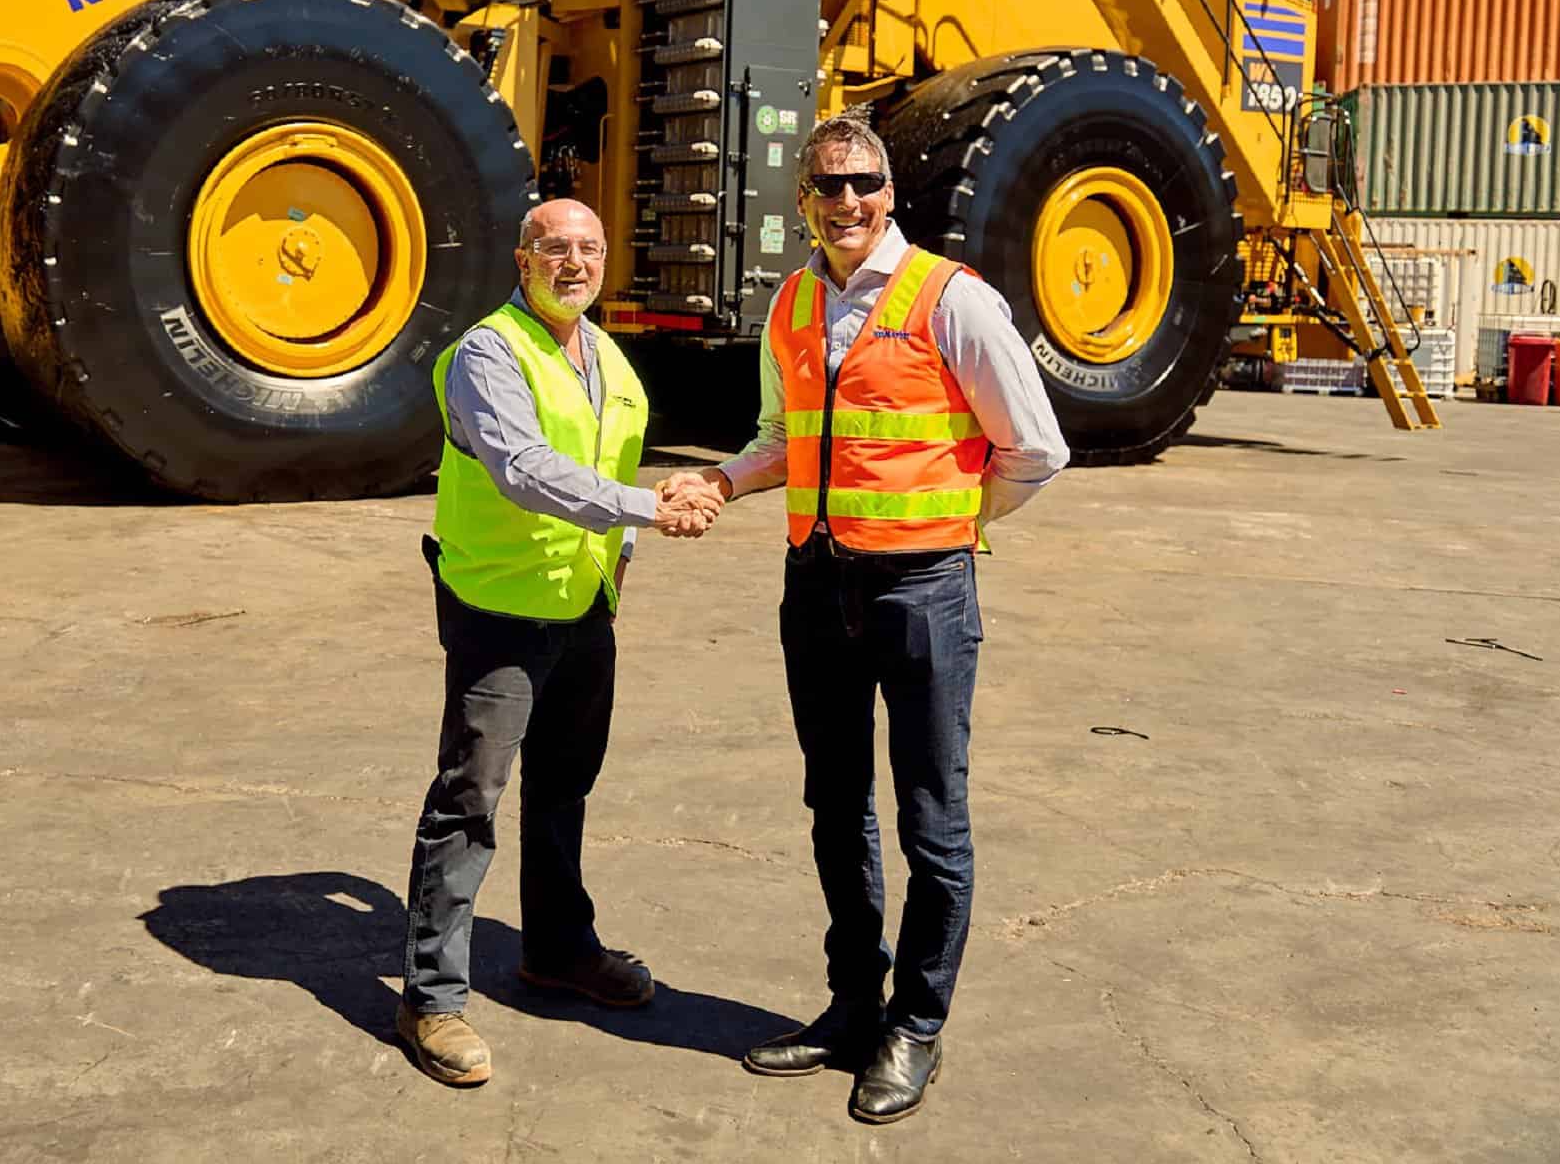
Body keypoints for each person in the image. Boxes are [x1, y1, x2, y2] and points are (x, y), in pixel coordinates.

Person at [661, 114, 1067, 1124]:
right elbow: (779, 439)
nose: (847, 203)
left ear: (893, 193)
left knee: (934, 821)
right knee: (836, 809)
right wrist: (719, 478)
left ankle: (915, 1026)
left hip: (923, 591)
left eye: (865, 183)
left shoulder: (953, 301)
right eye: (828, 185)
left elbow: (1036, 448)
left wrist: (957, 520)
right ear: (803, 199)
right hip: (816, 586)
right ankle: (853, 1006)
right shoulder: (793, 302)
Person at [394, 197, 722, 1089]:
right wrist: (653, 506)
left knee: (564, 785)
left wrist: (636, 538)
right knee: (471, 798)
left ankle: (556, 948)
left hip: (585, 606)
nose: (572, 262)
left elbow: (607, 469)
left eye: (588, 247)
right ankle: (430, 995)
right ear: (522, 258)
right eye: (554, 248)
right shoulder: (488, 352)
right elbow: (523, 468)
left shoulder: (609, 358)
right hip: (499, 609)